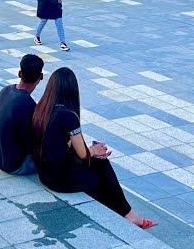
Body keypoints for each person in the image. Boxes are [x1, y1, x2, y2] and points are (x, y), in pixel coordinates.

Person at [33, 68, 156, 229]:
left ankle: (126, 214)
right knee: (102, 169)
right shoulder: (68, 115)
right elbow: (82, 153)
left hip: (45, 173)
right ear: (72, 89)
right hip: (59, 180)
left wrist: (93, 151)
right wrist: (95, 150)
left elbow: (59, 145)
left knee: (98, 166)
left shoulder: (42, 108)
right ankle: (130, 216)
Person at [0, 54, 45, 175]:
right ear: (41, 76)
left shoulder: (6, 90)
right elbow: (30, 143)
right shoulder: (27, 104)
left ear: (19, 73)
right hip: (15, 164)